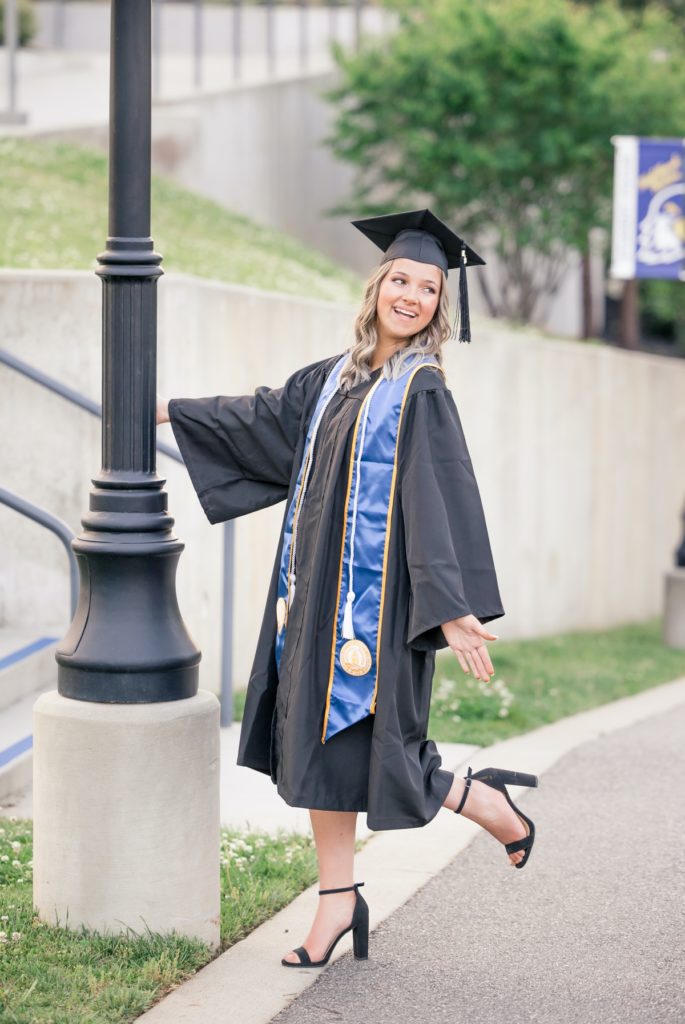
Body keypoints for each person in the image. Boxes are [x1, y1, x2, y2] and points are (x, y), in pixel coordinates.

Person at [156, 209, 538, 970]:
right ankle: (337, 903)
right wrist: (171, 410)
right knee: (316, 751)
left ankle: (482, 799)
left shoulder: (421, 389)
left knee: (379, 747)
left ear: (438, 305)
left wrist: (451, 605)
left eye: (427, 288)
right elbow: (265, 417)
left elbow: (438, 495)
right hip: (312, 594)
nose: (411, 296)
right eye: (400, 280)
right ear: (376, 287)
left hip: (380, 605)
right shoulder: (335, 375)